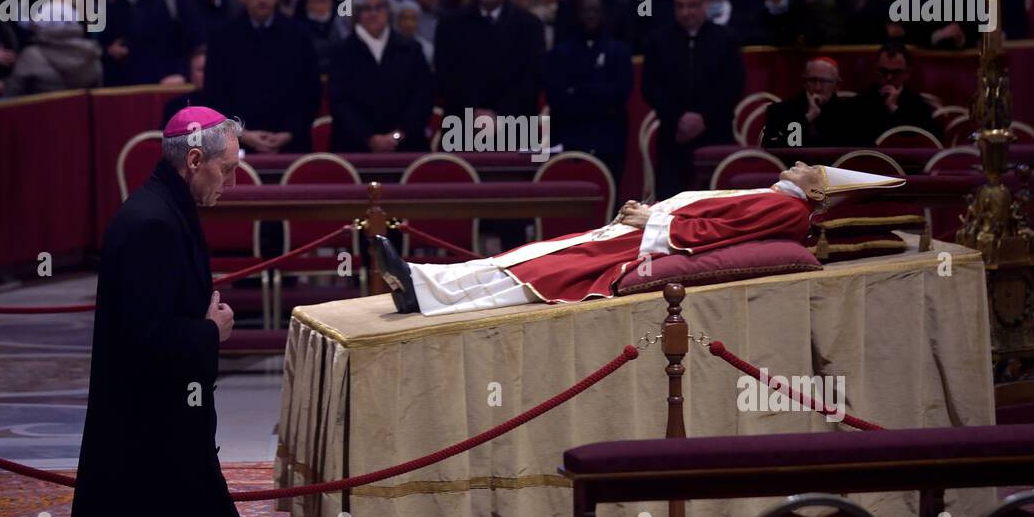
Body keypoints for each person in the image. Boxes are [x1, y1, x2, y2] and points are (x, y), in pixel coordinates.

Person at [72, 107, 258, 517]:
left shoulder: (169, 208)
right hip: (150, 437)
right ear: (195, 160)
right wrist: (211, 332)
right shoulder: (151, 223)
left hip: (167, 431)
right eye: (227, 169)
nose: (232, 183)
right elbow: (144, 338)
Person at [369, 164, 904, 314]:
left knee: (544, 272)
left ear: (815, 191)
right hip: (646, 232)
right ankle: (421, 280)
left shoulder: (784, 206)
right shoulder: (782, 198)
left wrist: (648, 219)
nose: (800, 162)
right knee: (532, 256)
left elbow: (716, 234)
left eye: (811, 167)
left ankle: (424, 291)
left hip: (648, 243)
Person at [641, 0, 744, 198]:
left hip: (716, 133)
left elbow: (733, 85)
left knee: (719, 206)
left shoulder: (726, 39)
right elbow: (650, 87)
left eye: (693, 5)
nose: (687, 12)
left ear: (705, 3)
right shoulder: (658, 40)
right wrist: (678, 118)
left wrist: (703, 118)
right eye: (680, 6)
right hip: (673, 136)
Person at [204, 0, 321, 153]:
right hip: (237, 144)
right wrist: (243, 133)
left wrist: (290, 132)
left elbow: (311, 91)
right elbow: (214, 93)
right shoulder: (222, 36)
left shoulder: (299, 35)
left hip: (292, 142)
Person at [433, 0, 544, 123]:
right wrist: (474, 113)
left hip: (515, 123)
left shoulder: (529, 25)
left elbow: (531, 77)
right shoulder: (450, 24)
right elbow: (446, 75)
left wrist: (501, 115)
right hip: (462, 123)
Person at [327, 0, 434, 152]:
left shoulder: (411, 49)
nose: (373, 14)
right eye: (366, 9)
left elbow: (422, 97)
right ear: (357, 14)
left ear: (389, 12)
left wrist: (397, 135)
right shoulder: (341, 52)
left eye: (379, 8)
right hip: (354, 146)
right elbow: (339, 103)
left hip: (406, 144)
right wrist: (369, 138)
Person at [544, 0, 634, 189]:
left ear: (603, 13)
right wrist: (600, 93)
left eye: (595, 10)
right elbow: (557, 101)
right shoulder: (559, 54)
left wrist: (578, 90)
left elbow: (620, 95)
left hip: (610, 141)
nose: (590, 16)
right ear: (577, 14)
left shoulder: (619, 52)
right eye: (585, 11)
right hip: (571, 141)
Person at [2, 1, 103, 96]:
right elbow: (97, 93)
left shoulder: (31, 56)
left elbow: (12, 95)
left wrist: (3, 85)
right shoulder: (91, 51)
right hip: (80, 113)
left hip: (41, 113)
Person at [850, 42, 941, 144]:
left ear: (907, 73)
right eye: (883, 71)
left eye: (896, 72)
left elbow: (928, 142)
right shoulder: (858, 103)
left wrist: (894, 109)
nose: (889, 77)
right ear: (875, 69)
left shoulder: (919, 105)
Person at [762, 57, 859, 148]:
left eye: (824, 81)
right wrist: (808, 118)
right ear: (804, 83)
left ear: (837, 84)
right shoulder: (780, 110)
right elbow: (776, 150)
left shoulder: (849, 113)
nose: (818, 87)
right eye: (812, 81)